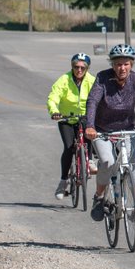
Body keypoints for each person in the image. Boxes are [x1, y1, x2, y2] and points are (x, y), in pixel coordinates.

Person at [84, 43, 135, 222]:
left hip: (126, 129)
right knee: (107, 161)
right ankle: (99, 197)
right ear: (112, 65)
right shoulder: (103, 78)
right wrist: (90, 126)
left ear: (131, 65)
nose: (122, 68)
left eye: (126, 64)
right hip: (102, 131)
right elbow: (92, 102)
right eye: (118, 64)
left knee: (133, 164)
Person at [46, 53, 97, 199]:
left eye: (82, 67)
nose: (79, 70)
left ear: (87, 68)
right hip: (66, 118)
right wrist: (54, 111)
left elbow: (99, 98)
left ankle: (89, 159)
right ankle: (63, 181)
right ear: (72, 67)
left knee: (90, 133)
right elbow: (53, 97)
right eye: (76, 67)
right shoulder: (64, 79)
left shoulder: (92, 81)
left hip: (85, 118)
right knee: (69, 148)